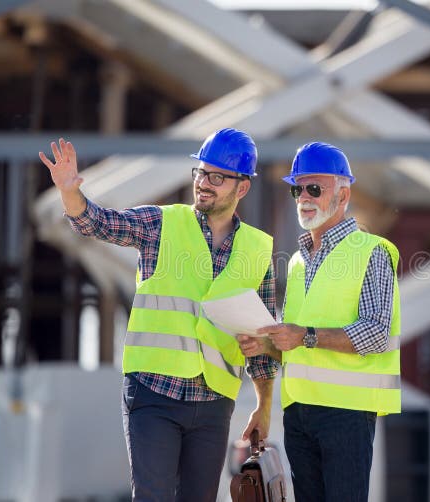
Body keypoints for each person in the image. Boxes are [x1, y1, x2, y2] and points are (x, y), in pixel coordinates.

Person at [38, 128, 278, 502]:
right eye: (200, 173)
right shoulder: (160, 224)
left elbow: (264, 339)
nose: (203, 184)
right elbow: (98, 223)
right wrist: (70, 192)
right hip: (154, 393)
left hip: (214, 403)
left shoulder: (258, 249)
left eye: (217, 177)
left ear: (241, 188)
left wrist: (264, 405)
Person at [238, 141, 401, 502]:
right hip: (298, 415)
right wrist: (268, 344)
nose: (304, 198)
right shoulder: (297, 262)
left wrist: (305, 336)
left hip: (347, 414)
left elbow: (376, 332)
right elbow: (294, 341)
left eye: (315, 189)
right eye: (298, 189)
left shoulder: (371, 252)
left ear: (343, 196)